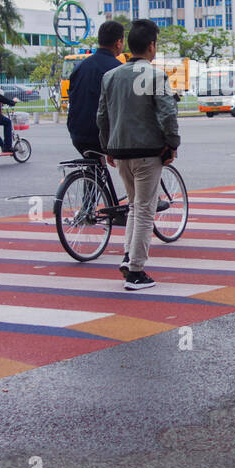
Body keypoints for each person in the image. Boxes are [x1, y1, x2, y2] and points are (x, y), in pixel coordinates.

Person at [97, 18, 180, 290]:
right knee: (145, 210)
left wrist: (107, 145)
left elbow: (102, 116)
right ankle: (136, 272)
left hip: (120, 152)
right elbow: (168, 115)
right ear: (152, 46)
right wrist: (172, 144)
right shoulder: (156, 76)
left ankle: (128, 256)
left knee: (134, 206)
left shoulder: (110, 76)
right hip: (147, 153)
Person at [66, 21, 125, 156]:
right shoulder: (119, 69)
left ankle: (91, 176)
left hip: (77, 133)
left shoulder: (80, 67)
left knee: (96, 169)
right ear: (118, 43)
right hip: (102, 136)